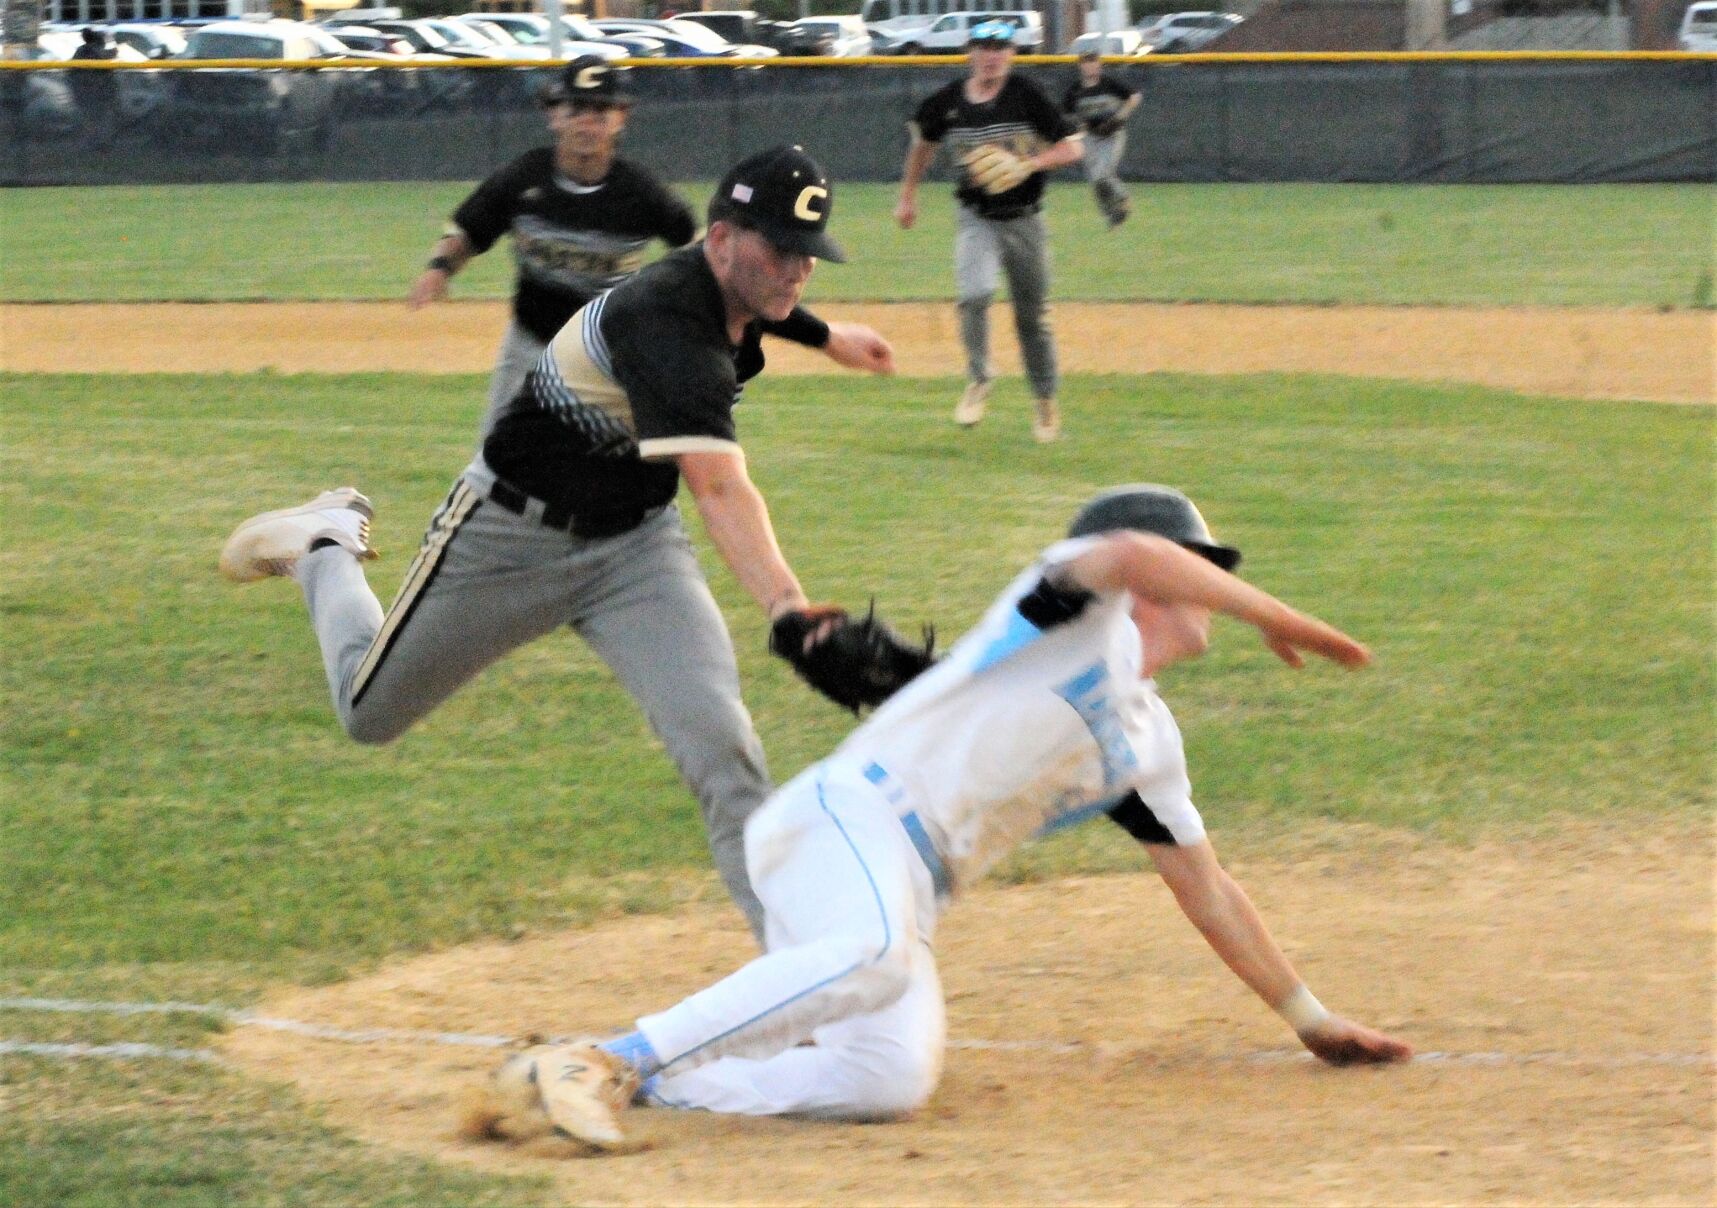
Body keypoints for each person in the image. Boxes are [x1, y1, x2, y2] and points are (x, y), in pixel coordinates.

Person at [467, 484, 1414, 1150]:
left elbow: (1207, 890)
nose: (1212, 589)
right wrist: (1279, 616)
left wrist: (1309, 1020)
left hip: (899, 887)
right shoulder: (1062, 616)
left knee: (885, 1079)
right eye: (1203, 569)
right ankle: (603, 1059)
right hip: (844, 820)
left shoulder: (1145, 741)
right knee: (877, 954)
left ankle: (645, 1079)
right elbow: (1130, 553)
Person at [219, 145, 897, 938]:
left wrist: (826, 336)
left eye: (807, 253)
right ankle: (325, 546)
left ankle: (798, 965)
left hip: (637, 553)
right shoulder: (663, 322)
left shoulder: (734, 291)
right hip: (508, 537)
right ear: (721, 240)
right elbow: (718, 489)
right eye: (779, 248)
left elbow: (762, 299)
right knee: (368, 712)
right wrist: (787, 608)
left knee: (724, 750)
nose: (798, 270)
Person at [407, 57, 697, 441]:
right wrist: (439, 268)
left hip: (607, 354)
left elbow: (697, 247)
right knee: (496, 456)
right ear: (553, 116)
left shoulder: (642, 193)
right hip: (530, 345)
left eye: (600, 112)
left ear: (620, 118)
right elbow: (469, 230)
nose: (586, 123)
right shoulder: (526, 177)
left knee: (615, 464)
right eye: (575, 110)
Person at [894, 19, 1083, 444]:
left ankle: (1045, 400)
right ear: (971, 53)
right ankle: (980, 378)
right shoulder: (947, 102)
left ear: (1012, 54)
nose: (992, 55)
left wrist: (1029, 164)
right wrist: (907, 196)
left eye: (1000, 47)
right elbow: (923, 145)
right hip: (976, 216)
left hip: (1025, 218)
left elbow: (1073, 147)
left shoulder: (1026, 95)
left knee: (1032, 316)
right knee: (974, 294)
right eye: (984, 46)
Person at [1062, 49, 1140, 228]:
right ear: (1081, 66)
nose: (1091, 65)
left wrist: (1119, 118)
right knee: (1095, 180)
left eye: (1094, 61)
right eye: (1087, 62)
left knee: (1102, 175)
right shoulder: (1075, 90)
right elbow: (1066, 114)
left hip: (1112, 134)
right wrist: (1077, 127)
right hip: (1089, 136)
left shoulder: (1108, 84)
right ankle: (1111, 215)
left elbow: (1134, 97)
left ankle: (1123, 198)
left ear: (1099, 64)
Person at [68, 27, 118, 149]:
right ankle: (98, 142)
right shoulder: (89, 50)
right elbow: (107, 55)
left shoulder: (83, 50)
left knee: (94, 118)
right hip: (94, 91)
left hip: (91, 91)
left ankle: (98, 142)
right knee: (97, 118)